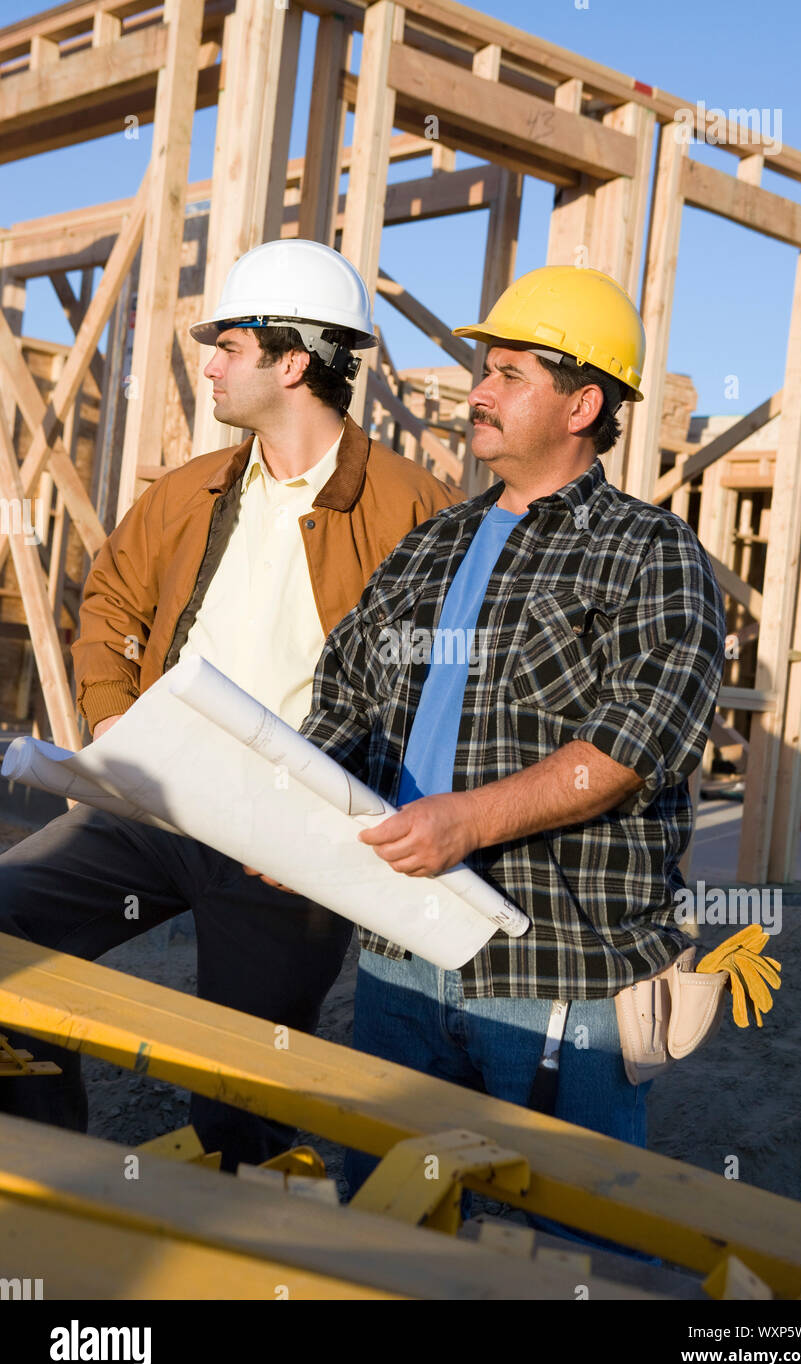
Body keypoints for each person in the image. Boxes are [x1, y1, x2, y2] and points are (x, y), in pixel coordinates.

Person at [0, 239, 462, 1169]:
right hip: (158, 806)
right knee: (8, 933)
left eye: (230, 346)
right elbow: (113, 603)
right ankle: (56, 1178)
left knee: (246, 1083)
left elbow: (448, 692)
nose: (207, 363)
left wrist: (357, 833)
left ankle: (245, 1218)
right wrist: (113, 717)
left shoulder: (418, 511)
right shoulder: (191, 491)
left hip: (288, 846)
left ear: (294, 360)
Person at [292, 265, 727, 1250]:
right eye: (483, 371)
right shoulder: (432, 543)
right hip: (401, 953)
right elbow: (346, 695)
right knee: (386, 1224)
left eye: (509, 374)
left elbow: (633, 743)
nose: (478, 393)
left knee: (583, 1239)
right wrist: (280, 807)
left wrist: (468, 820)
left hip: (555, 968)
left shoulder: (650, 553)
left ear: (582, 403)